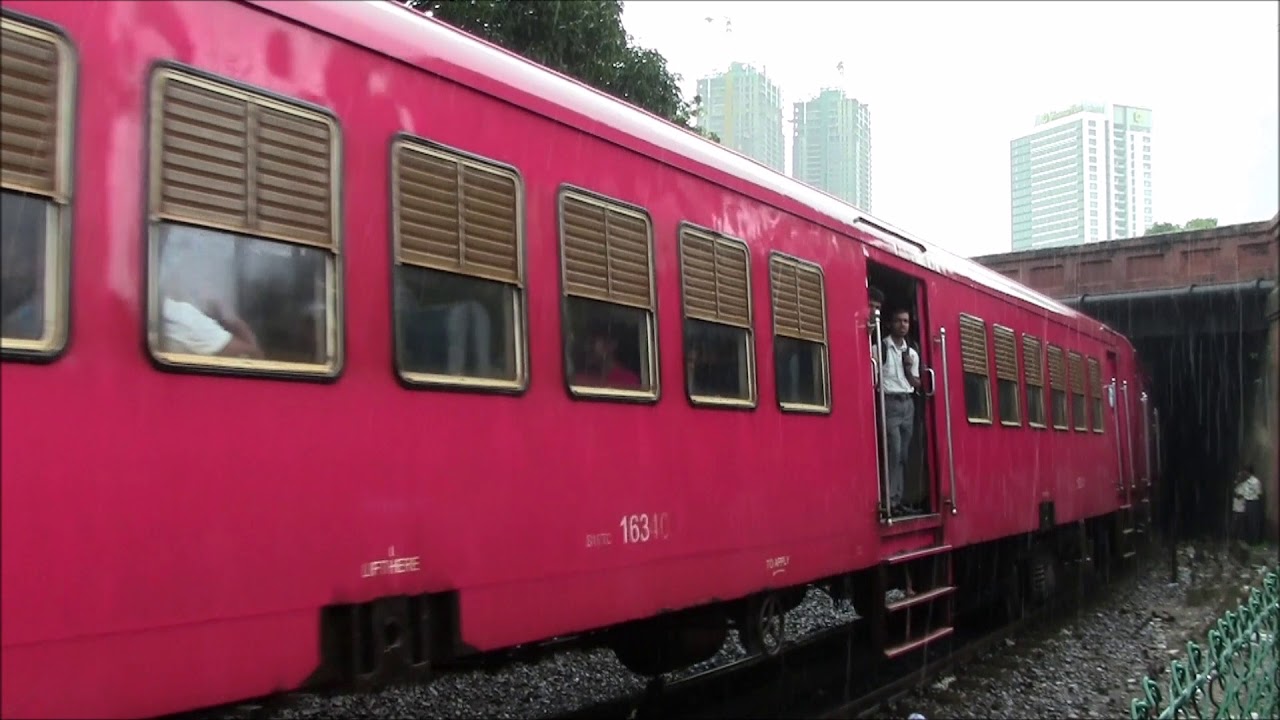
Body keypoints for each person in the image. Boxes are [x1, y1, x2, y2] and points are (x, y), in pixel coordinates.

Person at [881, 308, 922, 515]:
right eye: (898, 321)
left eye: (906, 321)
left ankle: (898, 498)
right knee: (893, 451)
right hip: (889, 402)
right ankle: (889, 500)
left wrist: (907, 369)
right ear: (890, 324)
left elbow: (917, 383)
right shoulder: (879, 348)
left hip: (908, 404)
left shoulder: (912, 352)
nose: (903, 325)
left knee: (903, 454)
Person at [573, 322, 641, 389]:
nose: (587, 348)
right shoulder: (580, 379)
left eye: (593, 342)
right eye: (587, 343)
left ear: (611, 344)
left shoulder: (628, 380)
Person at [1232, 465, 1262, 545]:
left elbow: (1259, 493)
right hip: (1247, 502)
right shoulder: (1244, 482)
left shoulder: (1256, 481)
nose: (1243, 473)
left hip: (1254, 502)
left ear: (1248, 472)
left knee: (1254, 521)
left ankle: (1255, 541)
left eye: (1245, 471)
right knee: (1248, 521)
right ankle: (1249, 540)